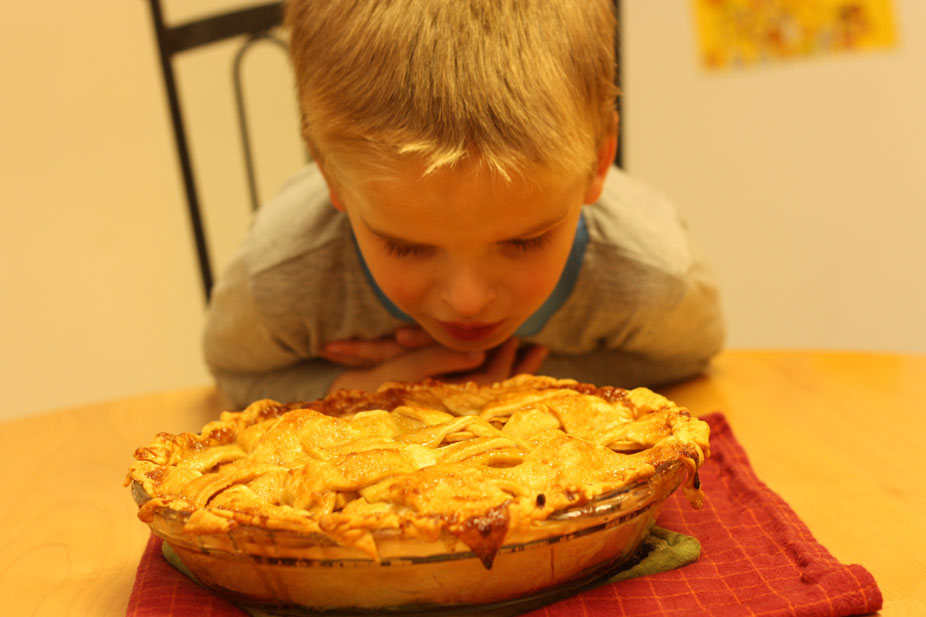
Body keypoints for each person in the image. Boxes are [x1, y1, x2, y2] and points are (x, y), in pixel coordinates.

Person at [203, 0, 725, 409]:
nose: (468, 300)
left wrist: (519, 385)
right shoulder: (278, 278)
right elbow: (233, 371)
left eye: (525, 240)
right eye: (406, 247)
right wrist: (360, 391)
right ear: (328, 174)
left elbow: (691, 353)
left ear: (599, 161)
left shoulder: (654, 277)